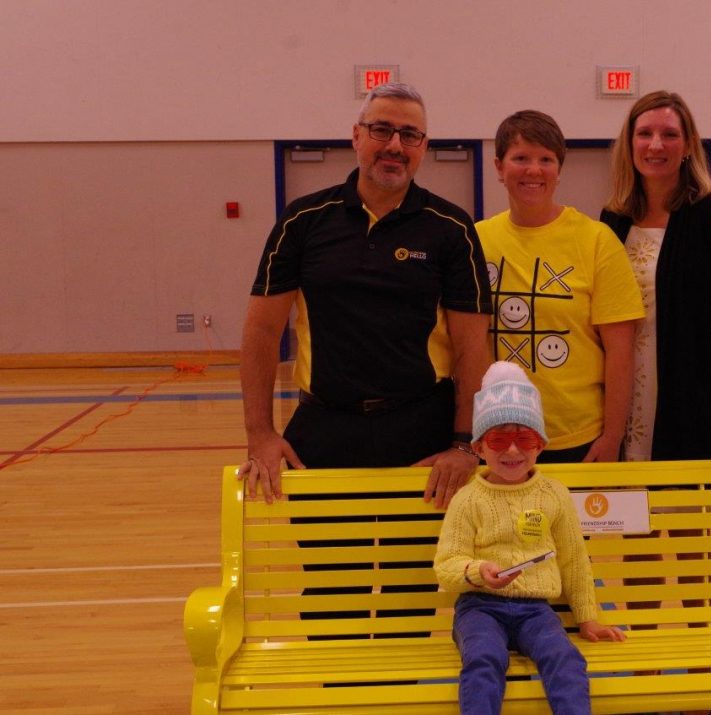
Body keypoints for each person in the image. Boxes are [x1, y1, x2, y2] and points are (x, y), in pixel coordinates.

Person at [235, 82, 492, 633]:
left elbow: (474, 346)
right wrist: (261, 432)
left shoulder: (451, 229)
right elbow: (261, 331)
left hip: (420, 433)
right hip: (325, 433)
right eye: (382, 130)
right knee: (333, 587)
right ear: (356, 136)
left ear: (423, 147)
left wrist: (464, 444)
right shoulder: (303, 221)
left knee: (409, 587)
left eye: (410, 134)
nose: (395, 144)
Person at [434, 361, 625, 715]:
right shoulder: (467, 499)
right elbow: (446, 564)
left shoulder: (554, 494)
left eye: (524, 439)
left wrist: (587, 617)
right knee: (484, 659)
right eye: (498, 439)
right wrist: (478, 571)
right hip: (479, 607)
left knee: (565, 659)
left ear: (541, 444)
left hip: (535, 611)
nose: (512, 451)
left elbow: (574, 560)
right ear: (478, 446)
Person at [477, 110, 644, 464]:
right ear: (498, 167)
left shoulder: (597, 240)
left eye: (546, 159)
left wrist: (612, 437)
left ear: (559, 168)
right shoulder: (476, 240)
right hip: (498, 440)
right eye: (520, 158)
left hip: (577, 438)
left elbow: (620, 351)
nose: (533, 170)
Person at [600, 89, 711, 462]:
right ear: (629, 142)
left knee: (684, 509)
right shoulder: (614, 218)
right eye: (644, 133)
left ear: (688, 145)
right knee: (628, 512)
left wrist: (695, 359)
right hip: (620, 386)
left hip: (688, 390)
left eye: (669, 134)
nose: (655, 145)